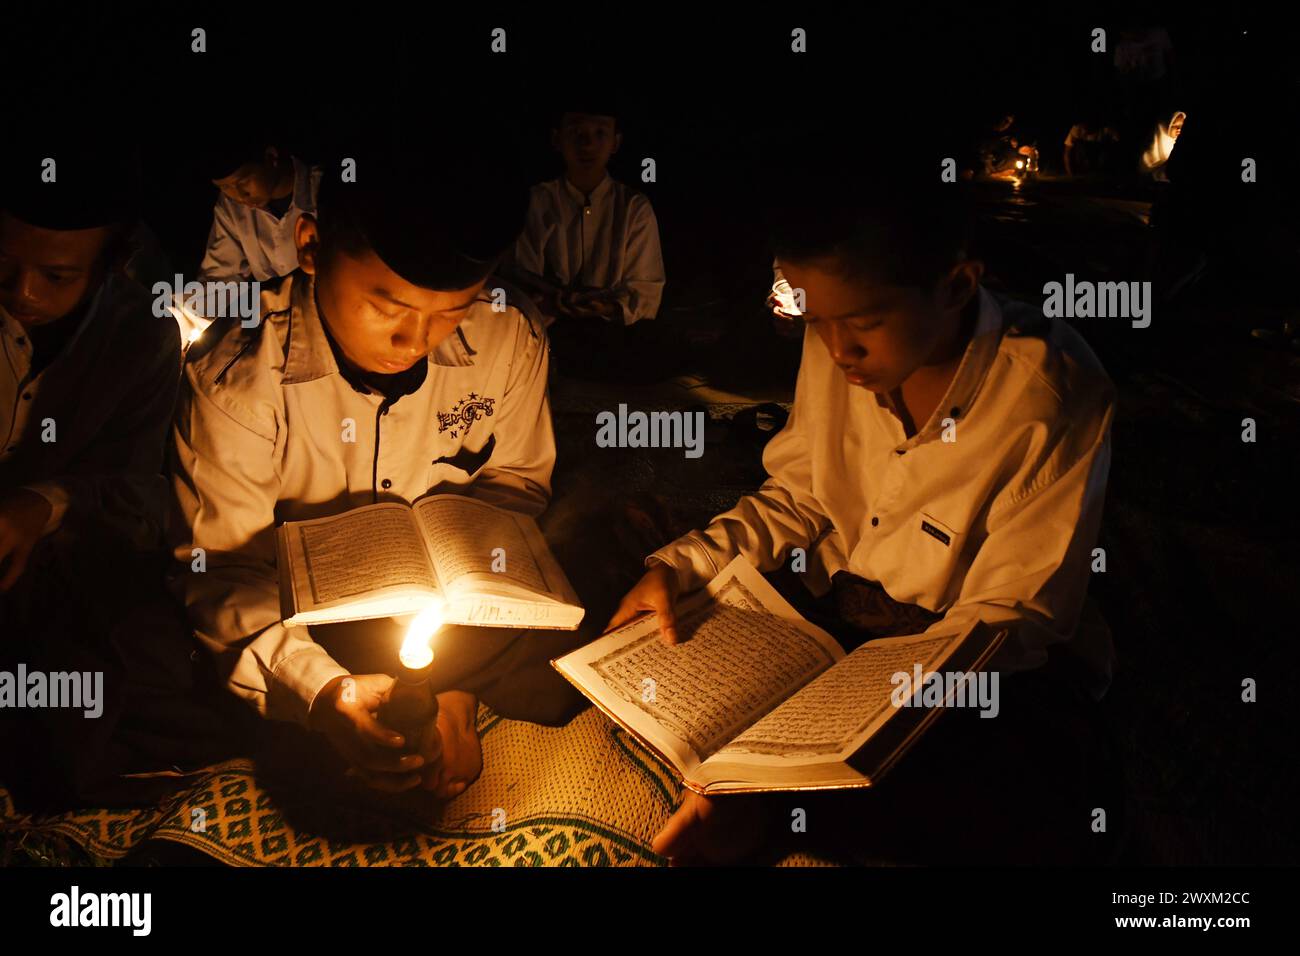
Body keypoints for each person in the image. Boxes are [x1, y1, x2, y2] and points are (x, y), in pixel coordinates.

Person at [605, 146, 1123, 864]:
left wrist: (858, 712)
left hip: (972, 659)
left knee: (1015, 794)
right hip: (838, 616)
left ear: (955, 285)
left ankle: (772, 807)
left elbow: (1012, 618)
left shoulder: (1053, 398)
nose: (836, 351)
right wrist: (684, 564)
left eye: (863, 325)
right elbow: (803, 492)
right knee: (662, 643)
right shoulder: (837, 337)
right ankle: (766, 792)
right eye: (814, 321)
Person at [169, 144, 587, 800]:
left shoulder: (509, 337)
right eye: (387, 305)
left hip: (460, 615)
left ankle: (450, 696)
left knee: (583, 634)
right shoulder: (237, 378)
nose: (414, 340)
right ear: (310, 246)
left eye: (450, 312)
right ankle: (404, 701)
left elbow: (520, 485)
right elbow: (219, 571)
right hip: (309, 619)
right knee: (182, 670)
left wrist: (477, 564)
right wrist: (323, 688)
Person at [0, 146, 182, 805]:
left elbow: (139, 492)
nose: (22, 293)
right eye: (5, 265)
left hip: (58, 583)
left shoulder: (139, 338)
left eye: (55, 275)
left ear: (114, 262)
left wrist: (39, 507)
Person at [503, 107, 670, 381]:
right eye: (577, 133)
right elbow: (520, 274)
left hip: (613, 330)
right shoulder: (538, 201)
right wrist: (556, 300)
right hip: (552, 327)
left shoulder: (633, 207)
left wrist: (604, 307)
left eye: (600, 133)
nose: (587, 144)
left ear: (615, 143)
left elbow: (646, 288)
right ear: (557, 140)